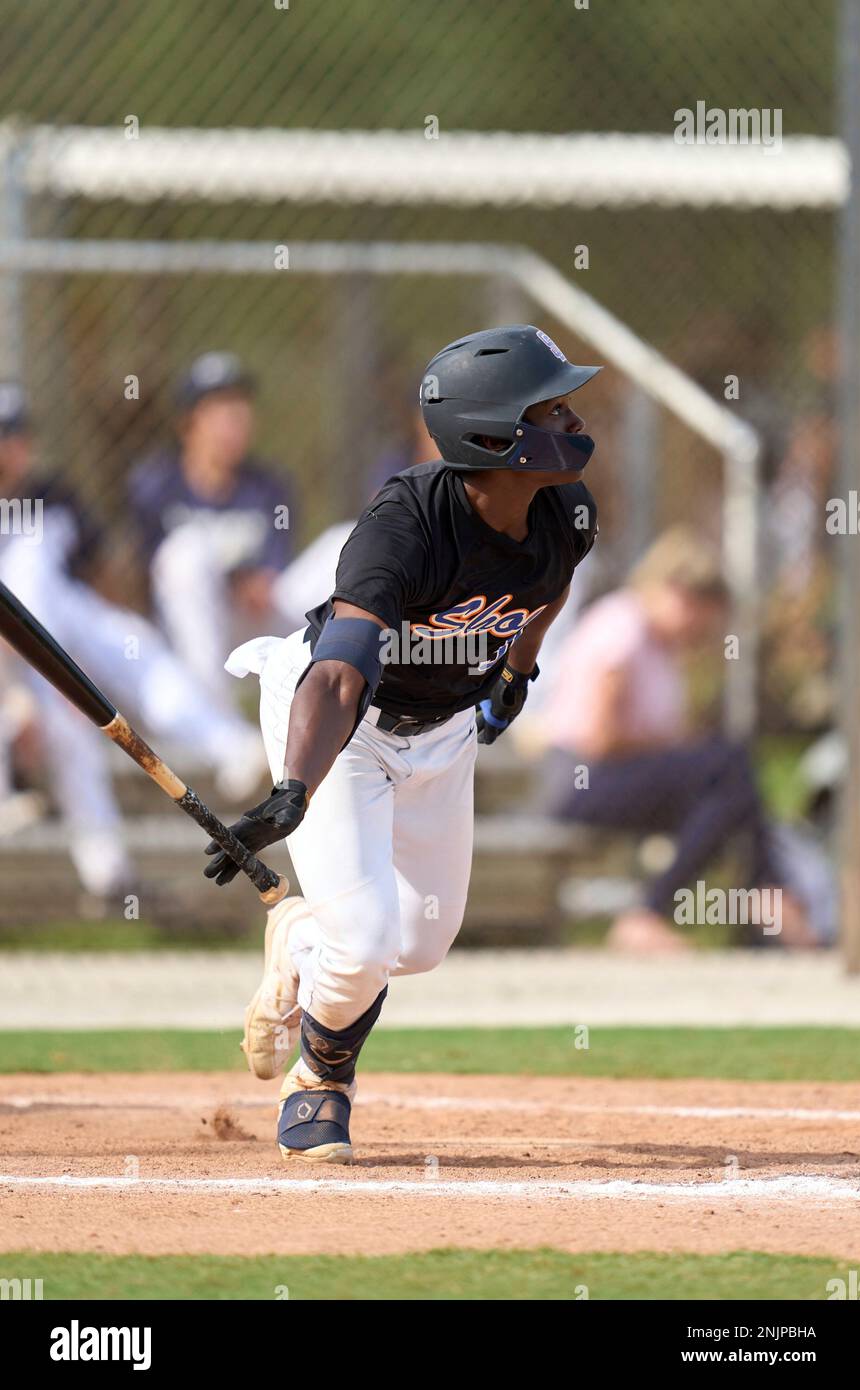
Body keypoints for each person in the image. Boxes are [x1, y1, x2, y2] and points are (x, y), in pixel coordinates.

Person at [203, 324, 601, 1163]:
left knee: (417, 943)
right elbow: (342, 669)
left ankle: (299, 940)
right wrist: (293, 792)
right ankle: (321, 1083)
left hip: (444, 729)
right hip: (340, 724)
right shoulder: (406, 523)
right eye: (552, 409)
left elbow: (544, 595)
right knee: (368, 941)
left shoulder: (566, 514)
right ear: (496, 437)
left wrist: (514, 677)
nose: (572, 422)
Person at [0, 384, 267, 910]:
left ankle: (228, 744)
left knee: (129, 649)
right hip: (14, 671)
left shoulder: (53, 495)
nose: (9, 447)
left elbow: (96, 577)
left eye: (15, 435)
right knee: (65, 719)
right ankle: (108, 877)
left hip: (62, 642)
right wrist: (17, 696)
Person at [537, 528, 812, 952]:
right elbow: (599, 737)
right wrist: (673, 749)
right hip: (579, 779)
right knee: (729, 765)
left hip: (611, 776)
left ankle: (749, 902)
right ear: (676, 591)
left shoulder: (658, 647)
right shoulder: (621, 630)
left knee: (728, 792)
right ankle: (759, 897)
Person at [128, 351, 296, 703]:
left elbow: (273, 578)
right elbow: (148, 574)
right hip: (178, 630)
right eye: (219, 408)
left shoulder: (269, 488)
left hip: (253, 623)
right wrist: (235, 579)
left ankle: (351, 714)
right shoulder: (154, 485)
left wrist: (260, 581)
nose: (234, 419)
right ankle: (211, 716)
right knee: (185, 553)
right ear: (188, 422)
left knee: (339, 547)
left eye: (239, 407)